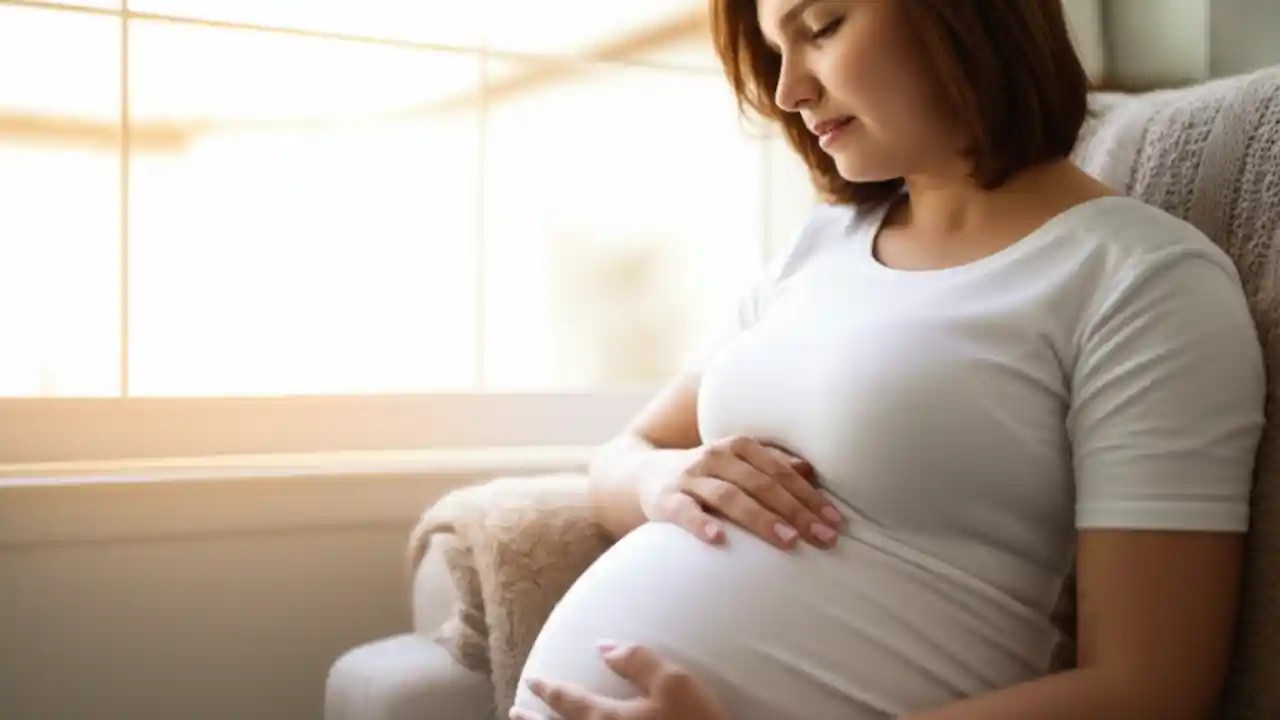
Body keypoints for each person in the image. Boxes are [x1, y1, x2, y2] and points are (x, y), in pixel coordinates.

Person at [510, 1, 1267, 718]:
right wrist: (662, 481)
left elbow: (1150, 690)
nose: (789, 91)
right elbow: (626, 452)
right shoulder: (818, 249)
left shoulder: (1141, 279)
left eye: (822, 27)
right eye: (775, 52)